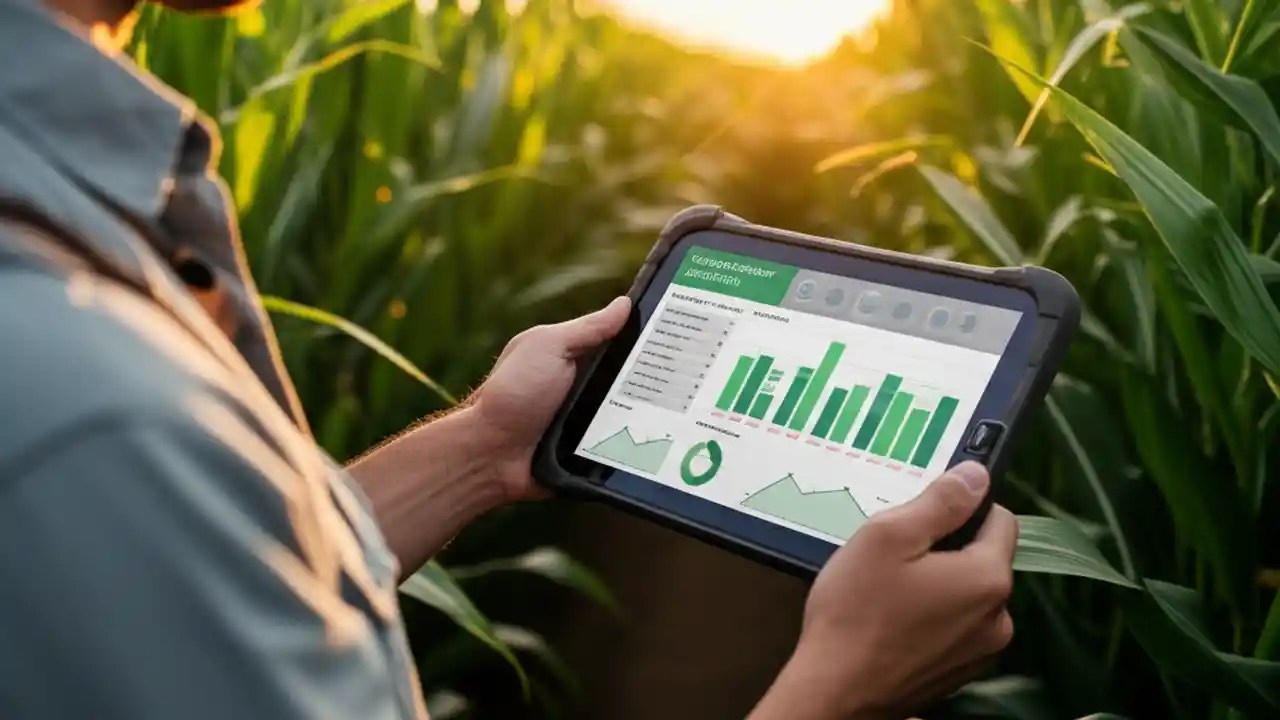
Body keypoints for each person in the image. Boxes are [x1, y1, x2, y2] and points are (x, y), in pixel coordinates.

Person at [0, 0, 1019, 718]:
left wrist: (487, 445)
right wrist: (843, 690)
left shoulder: (69, 268)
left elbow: (193, 590)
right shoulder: (90, 399)